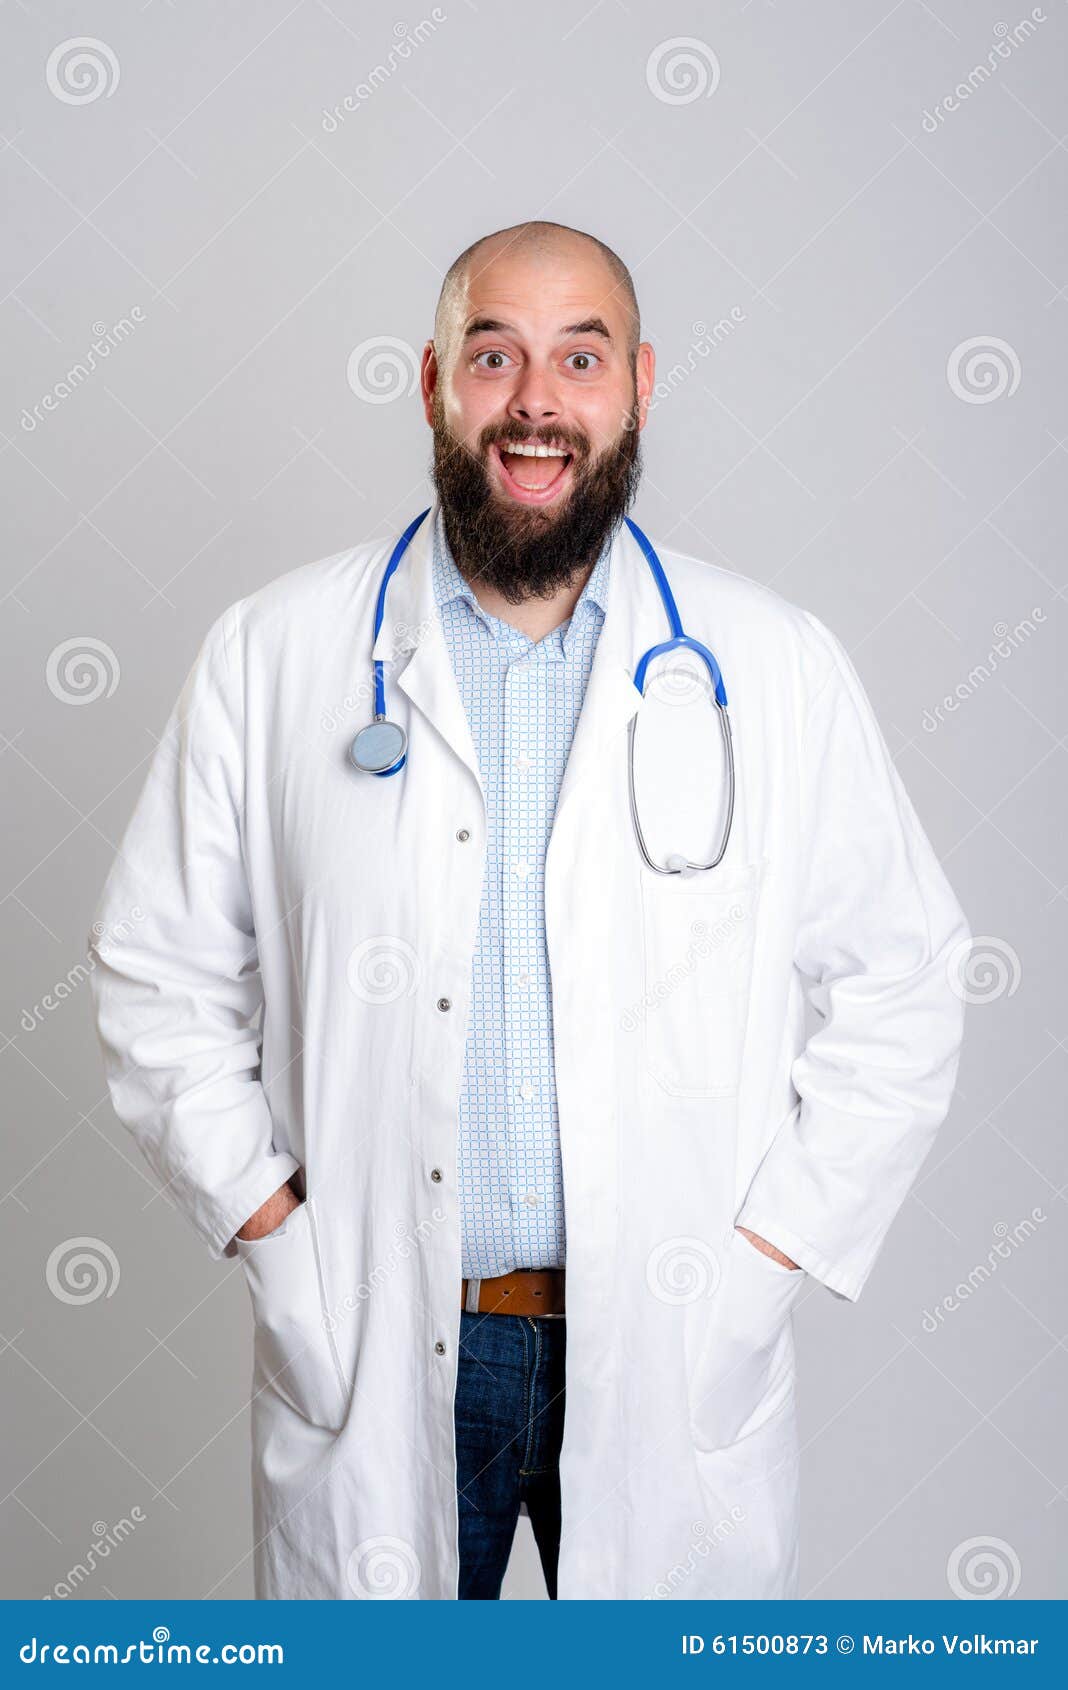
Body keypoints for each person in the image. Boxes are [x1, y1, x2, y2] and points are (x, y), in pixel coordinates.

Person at [89, 220, 970, 1601]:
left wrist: (764, 1263)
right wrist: (273, 1232)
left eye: (580, 356)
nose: (536, 401)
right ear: (432, 382)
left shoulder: (774, 665)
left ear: (641, 383)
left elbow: (907, 981)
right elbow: (157, 974)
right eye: (491, 354)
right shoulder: (277, 654)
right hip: (380, 1330)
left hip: (670, 1339)